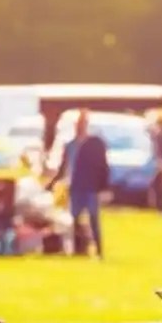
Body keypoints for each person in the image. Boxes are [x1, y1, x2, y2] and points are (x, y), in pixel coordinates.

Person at [47, 110, 110, 258]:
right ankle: (79, 249)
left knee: (93, 218)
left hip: (90, 187)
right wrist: (52, 183)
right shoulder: (70, 145)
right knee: (74, 219)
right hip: (75, 187)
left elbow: (103, 166)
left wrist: (103, 187)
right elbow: (64, 167)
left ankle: (99, 250)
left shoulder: (95, 144)